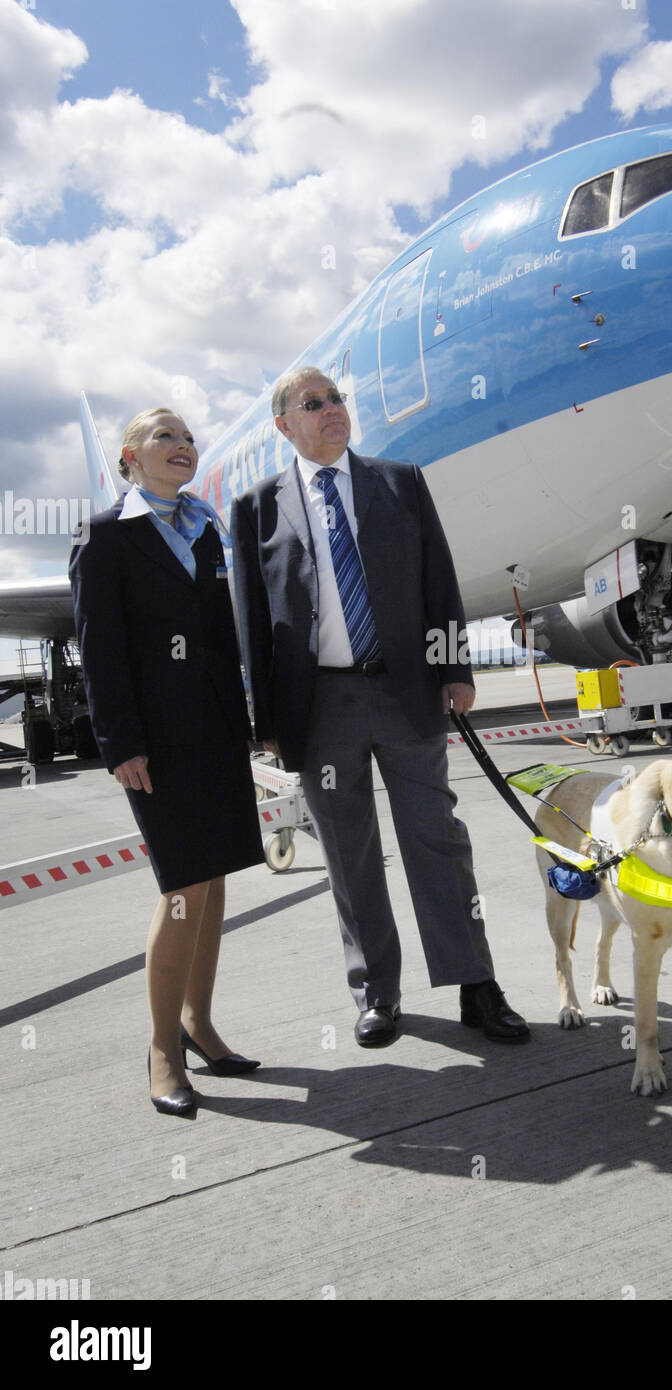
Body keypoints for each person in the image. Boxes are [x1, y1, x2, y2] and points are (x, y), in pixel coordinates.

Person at [230, 367, 528, 1048]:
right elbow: (252, 621)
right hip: (319, 703)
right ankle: (376, 994)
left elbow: (438, 581)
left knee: (438, 840)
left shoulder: (398, 483)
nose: (332, 409)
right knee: (348, 851)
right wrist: (267, 722)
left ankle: (475, 984)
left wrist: (453, 668)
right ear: (285, 427)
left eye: (337, 398)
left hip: (404, 692)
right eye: (314, 403)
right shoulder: (256, 509)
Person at [70, 407, 266, 1117]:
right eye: (164, 437)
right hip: (153, 739)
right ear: (131, 455)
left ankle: (199, 1023)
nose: (182, 447)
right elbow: (100, 648)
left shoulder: (204, 527)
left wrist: (248, 722)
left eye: (187, 437)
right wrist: (119, 743)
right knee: (182, 885)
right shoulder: (104, 536)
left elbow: (220, 638)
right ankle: (161, 1049)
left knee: (212, 885)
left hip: (212, 730)